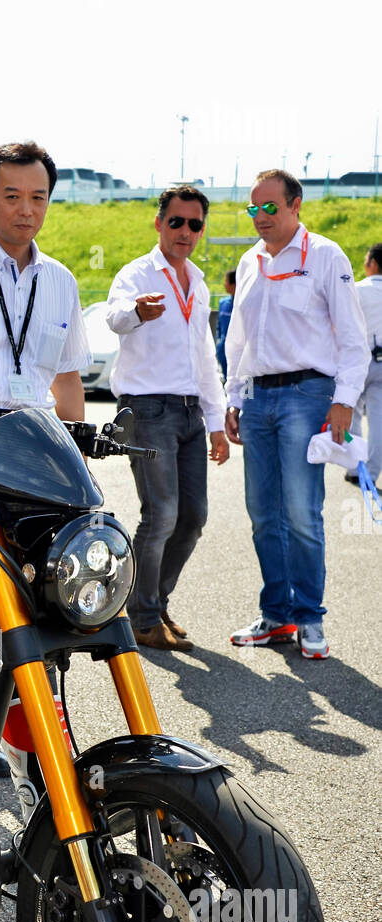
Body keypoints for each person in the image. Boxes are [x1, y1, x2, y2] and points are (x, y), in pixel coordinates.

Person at [225, 170, 368, 659]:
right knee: (263, 514)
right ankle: (276, 615)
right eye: (253, 208)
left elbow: (353, 339)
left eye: (270, 207)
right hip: (259, 398)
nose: (260, 217)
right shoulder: (249, 262)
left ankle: (309, 617)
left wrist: (343, 400)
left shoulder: (325, 256)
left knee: (301, 514)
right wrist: (233, 396)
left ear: (295, 206)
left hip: (308, 395)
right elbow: (237, 339)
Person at [105, 184, 229, 651]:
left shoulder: (197, 280)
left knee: (193, 517)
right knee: (161, 516)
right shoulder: (137, 273)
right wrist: (137, 311)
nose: (185, 231)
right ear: (159, 223)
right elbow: (114, 317)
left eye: (195, 224)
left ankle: (154, 604)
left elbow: (204, 358)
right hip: (148, 407)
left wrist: (215, 422)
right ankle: (141, 617)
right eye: (176, 221)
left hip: (190, 410)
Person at [0, 141, 90, 430]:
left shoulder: (62, 281)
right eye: (12, 197)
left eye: (38, 198)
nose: (27, 210)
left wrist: (79, 454)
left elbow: (67, 378)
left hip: (37, 432)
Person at [349, 243, 382, 486]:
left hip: (357, 361)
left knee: (351, 415)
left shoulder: (356, 290)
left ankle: (354, 465)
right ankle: (370, 474)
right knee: (379, 422)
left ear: (371, 264)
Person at [215, 269, 236, 378]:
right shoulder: (223, 303)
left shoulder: (243, 304)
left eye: (226, 281)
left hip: (238, 352)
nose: (224, 284)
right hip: (223, 349)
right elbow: (219, 325)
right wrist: (219, 342)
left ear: (234, 285)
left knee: (244, 389)